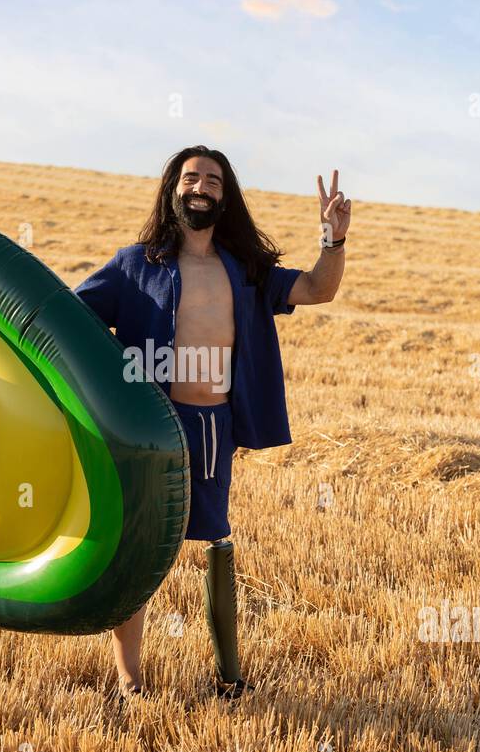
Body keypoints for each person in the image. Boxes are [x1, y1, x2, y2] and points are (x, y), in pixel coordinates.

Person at [73, 145, 350, 702]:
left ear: (225, 197)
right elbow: (69, 317)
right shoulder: (134, 266)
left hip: (211, 426)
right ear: (173, 188)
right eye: (190, 177)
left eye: (213, 180)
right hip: (148, 425)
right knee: (140, 546)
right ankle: (131, 681)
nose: (200, 186)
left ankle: (228, 675)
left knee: (215, 541)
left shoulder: (246, 270)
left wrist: (333, 238)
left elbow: (319, 289)